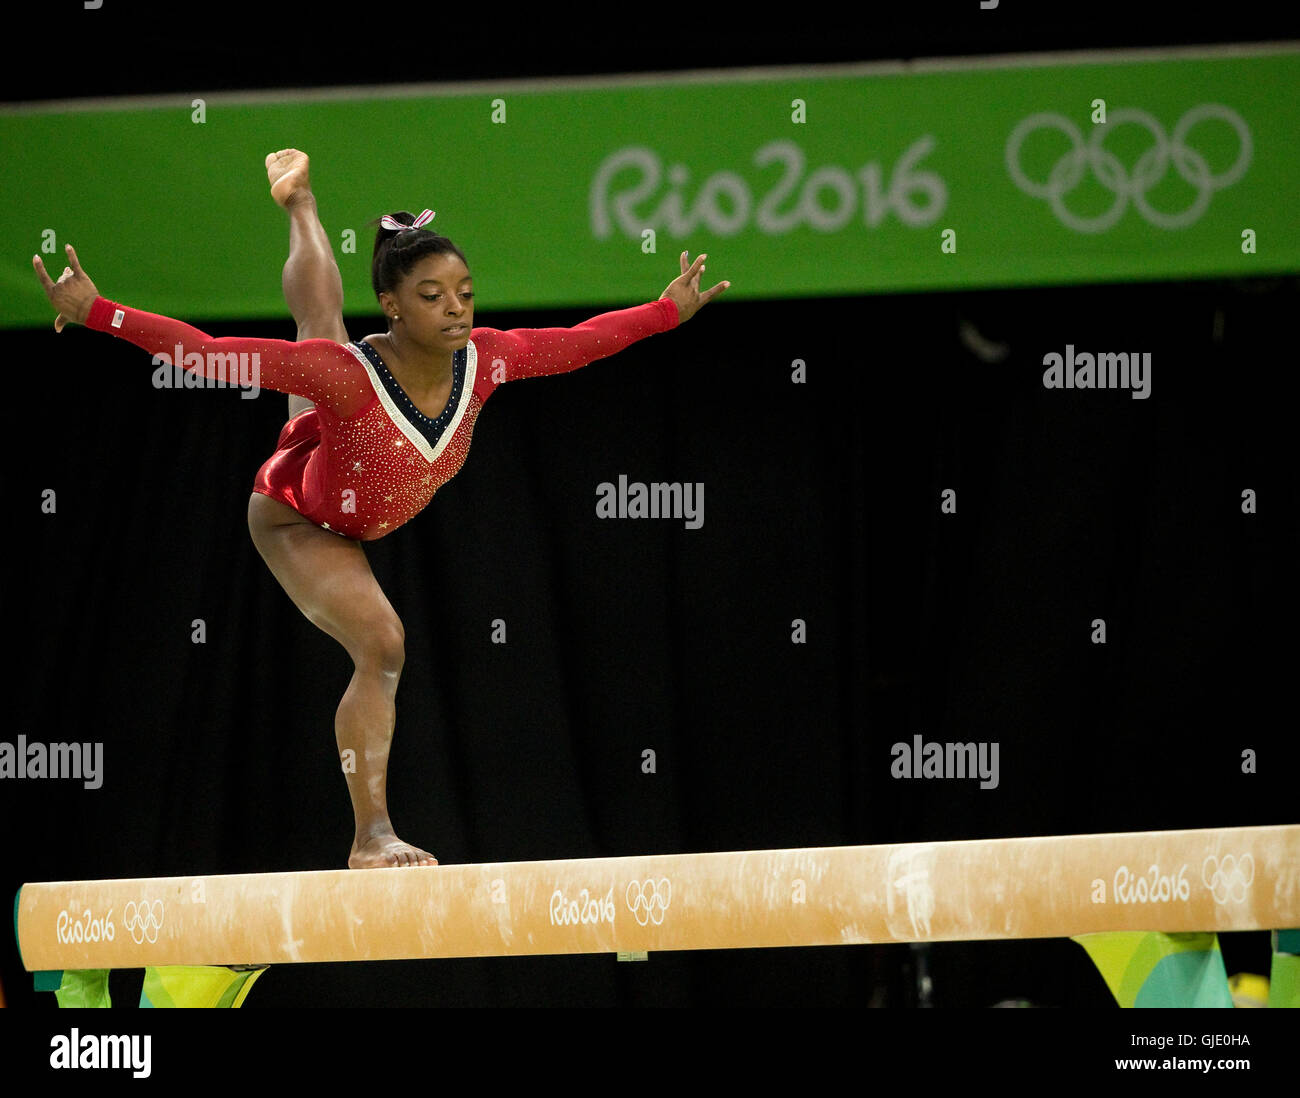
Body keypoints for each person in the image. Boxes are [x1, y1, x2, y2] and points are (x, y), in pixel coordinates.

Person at [32, 149, 730, 869]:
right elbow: (211, 352)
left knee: (316, 320)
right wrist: (98, 312)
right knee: (383, 644)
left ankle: (300, 204)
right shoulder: (345, 376)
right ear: (394, 306)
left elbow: (582, 344)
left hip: (339, 461)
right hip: (299, 513)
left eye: (463, 290)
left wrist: (666, 310)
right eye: (432, 296)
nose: (456, 307)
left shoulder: (486, 359)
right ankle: (371, 836)